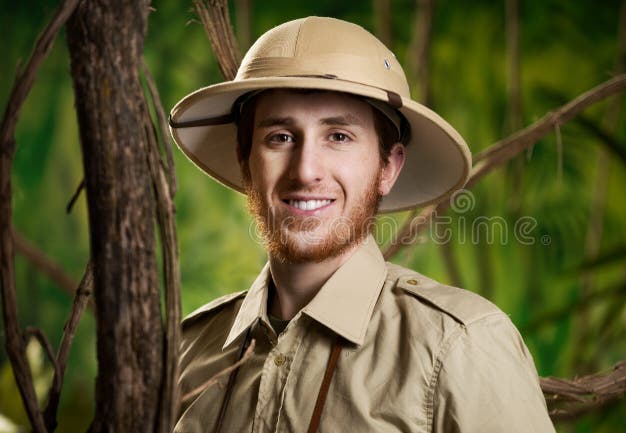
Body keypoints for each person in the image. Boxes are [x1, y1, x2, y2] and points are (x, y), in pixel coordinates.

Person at [169, 16, 555, 433]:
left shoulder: (459, 346)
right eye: (280, 137)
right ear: (246, 161)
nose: (306, 171)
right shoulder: (188, 350)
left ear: (388, 167)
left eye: (338, 136)